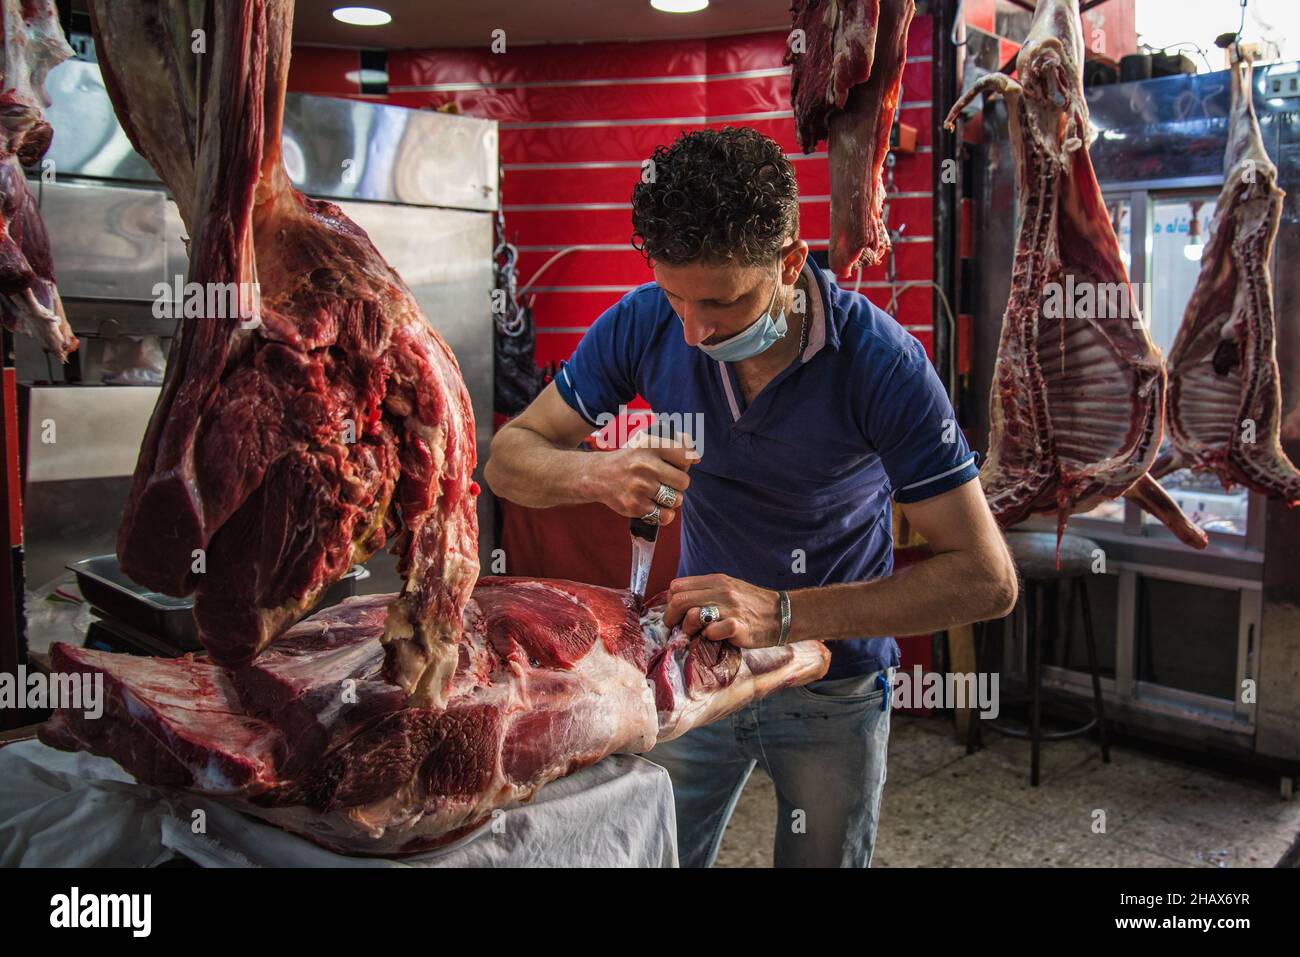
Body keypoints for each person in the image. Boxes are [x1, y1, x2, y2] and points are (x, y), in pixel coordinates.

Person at [484, 126, 1017, 868]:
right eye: (678, 298)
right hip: (694, 670)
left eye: (723, 303)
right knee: (654, 857)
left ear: (791, 262)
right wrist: (599, 473)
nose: (696, 331)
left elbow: (988, 578)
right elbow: (507, 459)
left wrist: (785, 613)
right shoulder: (645, 322)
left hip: (833, 680)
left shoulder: (882, 363)